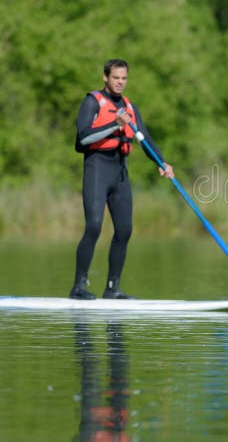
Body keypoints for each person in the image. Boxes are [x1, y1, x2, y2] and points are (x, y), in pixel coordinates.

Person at [70, 59, 174, 300]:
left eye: (124, 78)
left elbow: (144, 139)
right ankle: (78, 287)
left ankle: (112, 288)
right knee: (94, 226)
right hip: (97, 169)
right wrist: (113, 124)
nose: (120, 82)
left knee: (125, 230)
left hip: (120, 173)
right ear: (105, 77)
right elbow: (82, 140)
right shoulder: (92, 102)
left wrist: (163, 163)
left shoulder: (130, 107)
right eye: (116, 77)